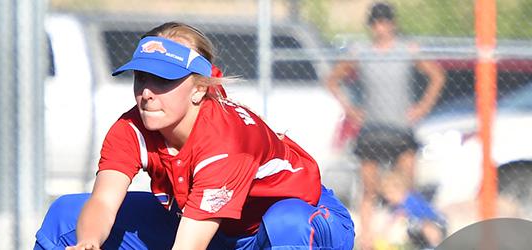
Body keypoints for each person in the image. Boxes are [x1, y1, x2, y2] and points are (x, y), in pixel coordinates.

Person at [35, 22, 355, 250]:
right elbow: (104, 202)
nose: (146, 92)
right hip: (211, 229)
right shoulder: (131, 128)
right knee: (67, 214)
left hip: (298, 226)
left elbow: (190, 245)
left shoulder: (225, 140)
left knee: (288, 224)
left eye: (163, 79)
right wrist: (88, 242)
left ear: (199, 89)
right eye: (141, 77)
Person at [324, 2, 446, 249]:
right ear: (371, 26)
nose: (381, 27)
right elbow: (332, 80)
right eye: (376, 22)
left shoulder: (406, 50)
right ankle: (367, 240)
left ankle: (413, 235)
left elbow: (437, 75)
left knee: (407, 188)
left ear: (393, 24)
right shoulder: (361, 52)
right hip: (372, 129)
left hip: (400, 129)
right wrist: (351, 109)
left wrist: (423, 107)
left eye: (385, 22)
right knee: (370, 189)